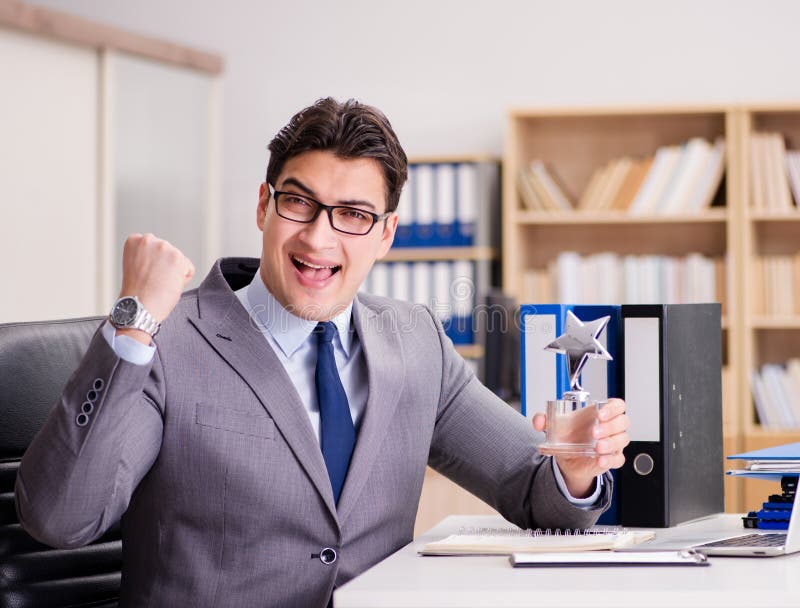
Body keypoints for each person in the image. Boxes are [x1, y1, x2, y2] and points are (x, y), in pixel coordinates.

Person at [16, 98, 630, 607]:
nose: (318, 236)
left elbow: (534, 494)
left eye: (353, 215)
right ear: (264, 205)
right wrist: (132, 323)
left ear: (387, 234)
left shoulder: (416, 341)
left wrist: (574, 468)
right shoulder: (169, 340)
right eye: (298, 202)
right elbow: (62, 518)